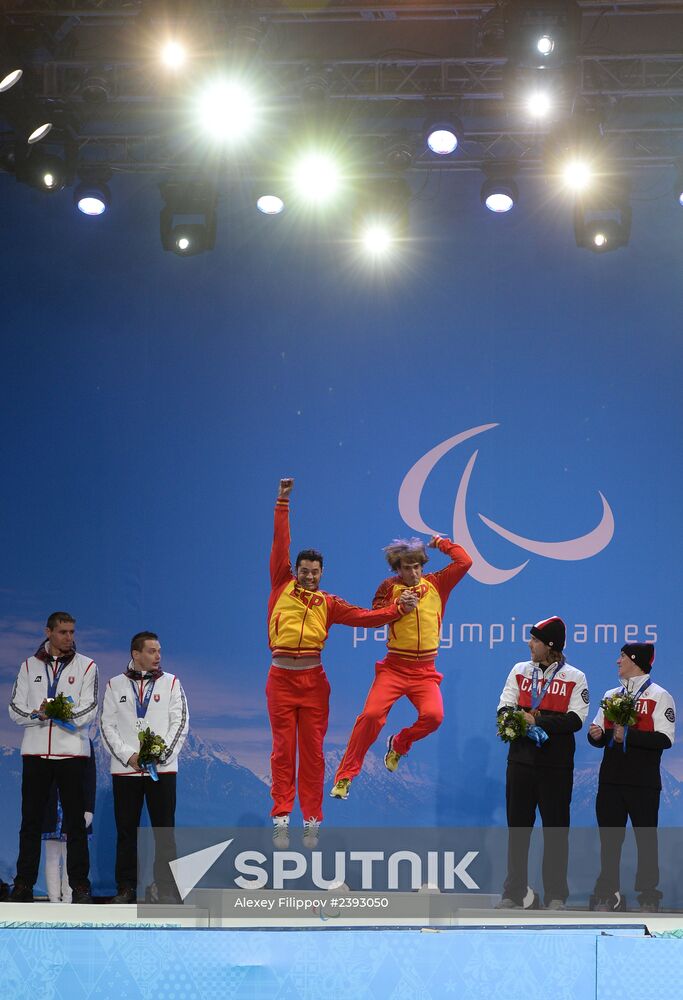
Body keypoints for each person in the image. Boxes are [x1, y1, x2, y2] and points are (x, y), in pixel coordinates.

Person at [267, 478, 417, 848]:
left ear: (322, 573)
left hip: (313, 682)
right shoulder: (280, 584)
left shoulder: (329, 603)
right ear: (296, 570)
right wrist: (282, 502)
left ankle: (313, 819)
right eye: (304, 569)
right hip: (280, 680)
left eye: (315, 571)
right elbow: (280, 543)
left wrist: (397, 609)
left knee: (313, 753)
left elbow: (367, 618)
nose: (309, 575)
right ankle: (282, 817)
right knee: (283, 751)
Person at [330, 533, 472, 799]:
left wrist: (442, 543)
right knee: (371, 716)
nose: (414, 572)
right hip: (394, 669)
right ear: (397, 569)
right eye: (407, 567)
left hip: (425, 672)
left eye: (418, 566)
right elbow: (372, 618)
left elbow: (465, 562)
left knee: (434, 717)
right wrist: (397, 608)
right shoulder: (388, 587)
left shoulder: (436, 584)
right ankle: (345, 776)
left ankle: (399, 743)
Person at [496, 616, 589, 910]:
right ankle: (513, 893)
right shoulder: (519, 670)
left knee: (556, 831)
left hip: (556, 767)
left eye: (535, 639)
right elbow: (503, 709)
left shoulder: (575, 677)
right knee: (518, 830)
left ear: (550, 646)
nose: (529, 643)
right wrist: (517, 720)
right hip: (521, 762)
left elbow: (575, 720)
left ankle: (556, 895)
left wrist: (537, 719)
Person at [8, 611, 98, 904]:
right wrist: (38, 715)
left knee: (75, 825)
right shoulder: (28, 666)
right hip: (35, 753)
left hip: (72, 754)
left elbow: (89, 710)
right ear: (48, 632)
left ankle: (81, 886)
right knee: (31, 822)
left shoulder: (87, 667)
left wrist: (60, 714)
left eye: (72, 632)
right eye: (63, 632)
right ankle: (23, 885)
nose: (69, 638)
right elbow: (14, 709)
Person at [100, 631, 189, 904]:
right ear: (135, 654)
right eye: (151, 651)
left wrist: (160, 755)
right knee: (126, 832)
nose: (157, 656)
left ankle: (165, 889)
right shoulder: (115, 686)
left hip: (161, 770)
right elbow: (107, 726)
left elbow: (181, 722)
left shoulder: (172, 683)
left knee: (164, 832)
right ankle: (126, 888)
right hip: (126, 770)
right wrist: (129, 756)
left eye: (159, 651)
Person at [588, 642, 675, 913]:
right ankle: (608, 891)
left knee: (645, 839)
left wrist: (630, 736)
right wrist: (597, 736)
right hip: (611, 780)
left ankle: (649, 894)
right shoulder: (611, 694)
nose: (617, 661)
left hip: (643, 782)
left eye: (622, 657)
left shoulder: (660, 696)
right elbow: (600, 731)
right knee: (609, 840)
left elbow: (665, 739)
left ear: (635, 661)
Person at [42, 744, 96, 903]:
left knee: (72, 855)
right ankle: (53, 899)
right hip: (51, 808)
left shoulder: (83, 740)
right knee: (51, 855)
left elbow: (90, 777)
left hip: (76, 807)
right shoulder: (47, 740)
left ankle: (69, 898)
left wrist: (89, 808)